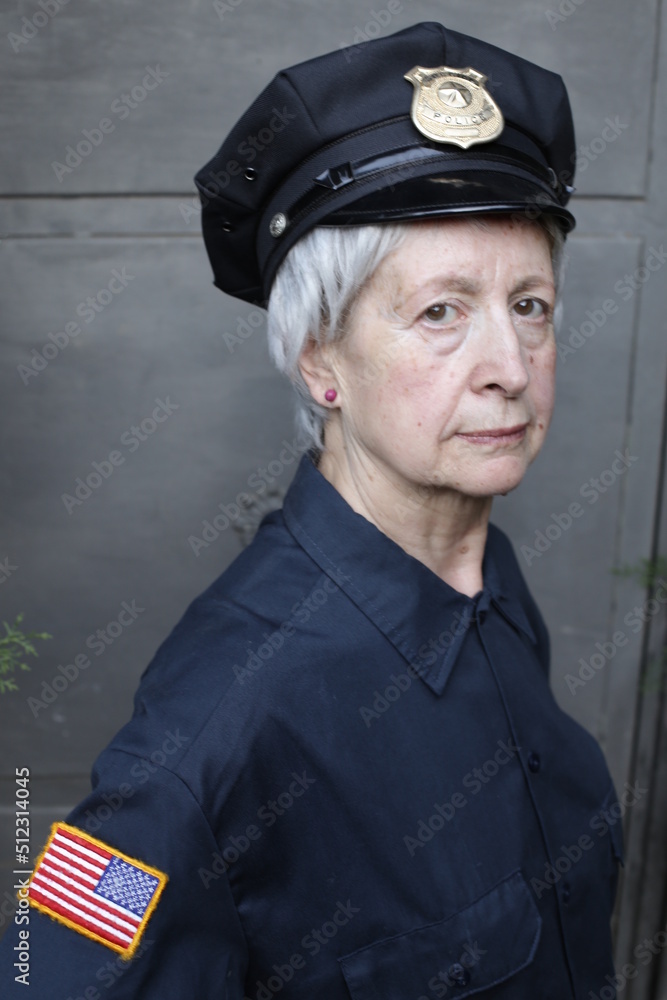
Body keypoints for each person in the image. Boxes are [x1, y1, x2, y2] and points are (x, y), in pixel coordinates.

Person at [1, 21, 623, 999]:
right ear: (321, 360)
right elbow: (46, 964)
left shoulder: (483, 576)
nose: (509, 369)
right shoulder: (200, 742)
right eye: (440, 311)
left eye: (530, 306)